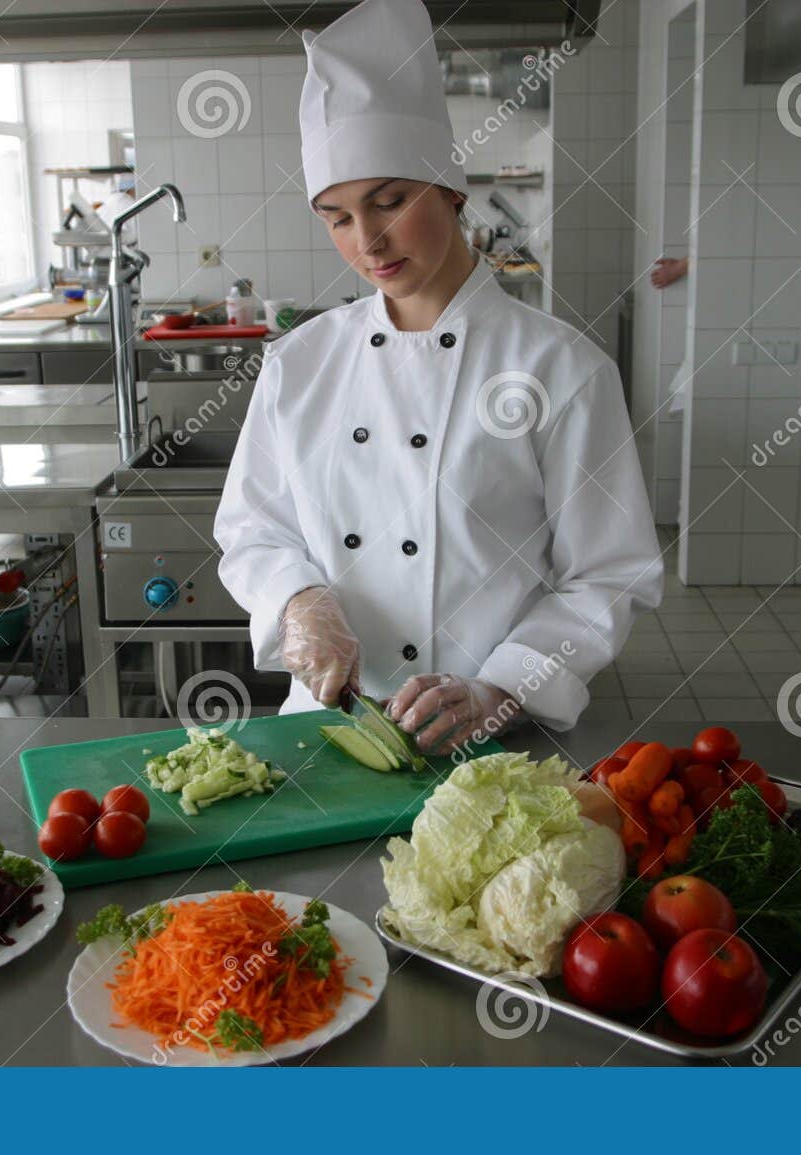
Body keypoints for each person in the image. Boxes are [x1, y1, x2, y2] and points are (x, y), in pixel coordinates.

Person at [213, 0, 663, 755]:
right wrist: (299, 599)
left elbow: (609, 575)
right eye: (337, 216)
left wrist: (502, 684)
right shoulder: (301, 362)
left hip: (494, 740)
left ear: (452, 192)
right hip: (326, 738)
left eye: (390, 201)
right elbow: (253, 530)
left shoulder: (562, 368)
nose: (369, 241)